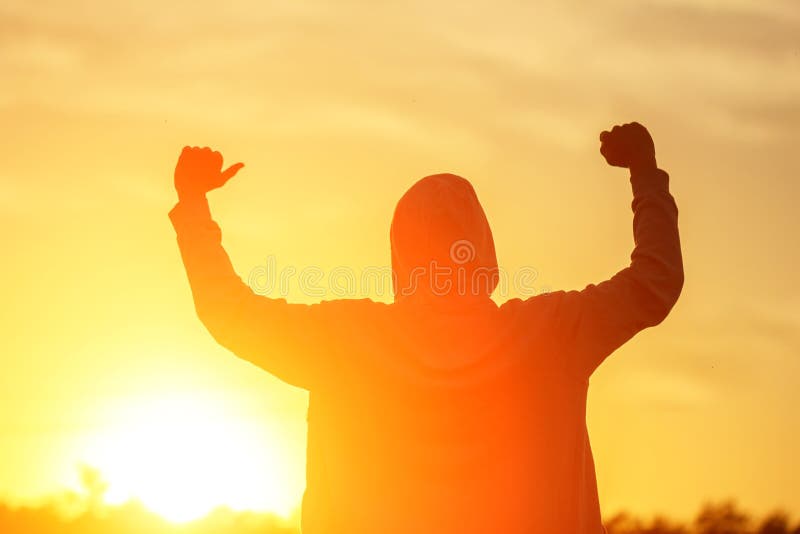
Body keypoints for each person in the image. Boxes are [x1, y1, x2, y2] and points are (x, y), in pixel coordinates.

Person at [169, 122, 683, 533]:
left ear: (399, 256)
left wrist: (195, 205)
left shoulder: (346, 339)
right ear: (486, 251)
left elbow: (230, 311)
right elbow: (652, 283)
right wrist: (644, 175)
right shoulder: (551, 333)